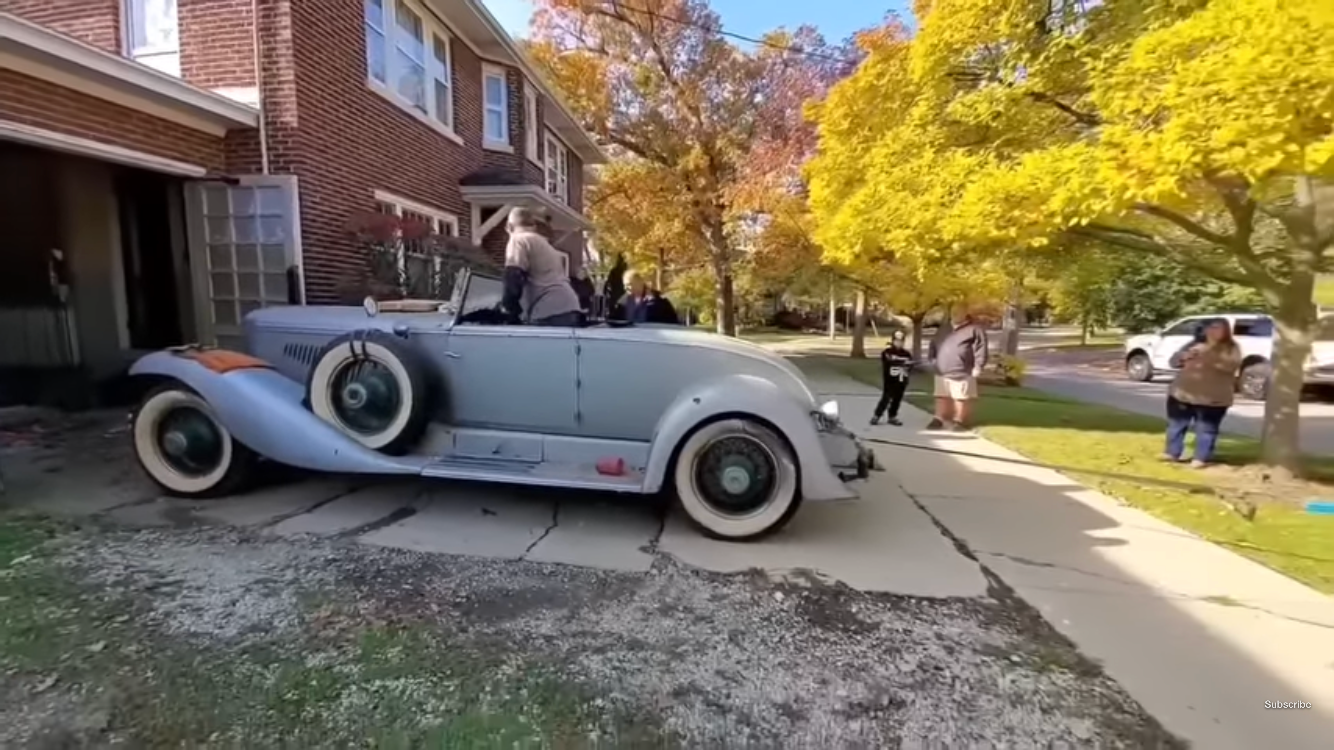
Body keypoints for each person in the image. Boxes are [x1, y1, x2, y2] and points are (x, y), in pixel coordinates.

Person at [1163, 317, 1241, 467]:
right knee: (1176, 425)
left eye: (1218, 327)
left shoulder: (1231, 347)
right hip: (1182, 393)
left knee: (1206, 429)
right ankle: (1172, 452)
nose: (1212, 331)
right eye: (1210, 327)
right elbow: (1173, 361)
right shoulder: (1194, 344)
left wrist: (1208, 356)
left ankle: (1201, 458)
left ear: (1226, 331)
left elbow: (1230, 367)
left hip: (1212, 397)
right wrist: (1182, 357)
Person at [500, 207, 584, 326]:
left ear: (509, 227)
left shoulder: (518, 240)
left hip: (547, 310)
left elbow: (513, 276)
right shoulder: (545, 244)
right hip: (569, 305)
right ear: (534, 226)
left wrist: (509, 309)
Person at [926, 306, 989, 432]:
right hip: (942, 369)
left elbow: (981, 349)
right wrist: (932, 358)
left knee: (960, 397)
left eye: (959, 311)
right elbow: (933, 344)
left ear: (966, 313)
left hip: (963, 370)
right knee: (941, 396)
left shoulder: (974, 330)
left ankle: (959, 421)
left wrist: (978, 367)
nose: (955, 314)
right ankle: (938, 418)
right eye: (953, 311)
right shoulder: (944, 329)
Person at [870, 330, 913, 426]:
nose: (899, 343)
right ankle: (877, 415)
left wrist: (908, 365)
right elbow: (889, 362)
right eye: (897, 340)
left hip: (902, 380)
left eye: (901, 341)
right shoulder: (887, 352)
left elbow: (910, 366)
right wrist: (900, 362)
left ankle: (892, 416)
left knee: (897, 399)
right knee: (886, 398)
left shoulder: (907, 354)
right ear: (893, 341)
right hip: (890, 381)